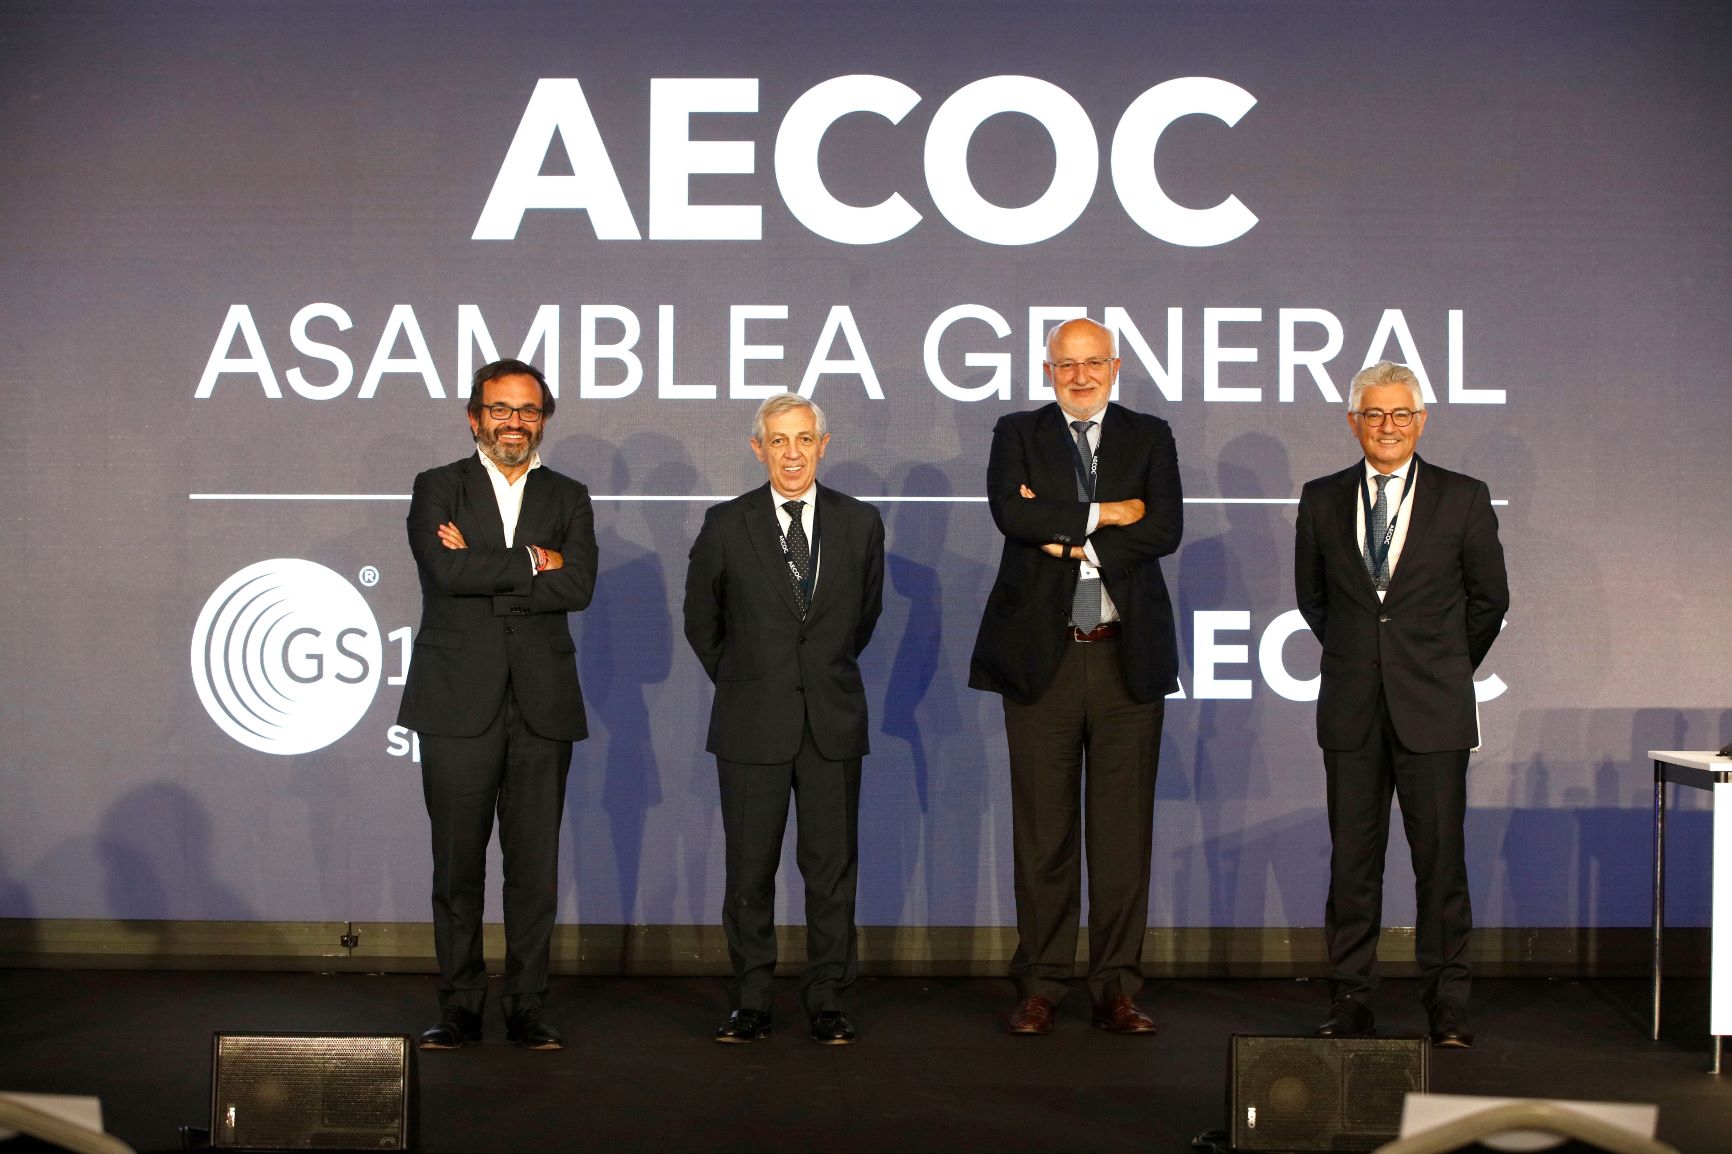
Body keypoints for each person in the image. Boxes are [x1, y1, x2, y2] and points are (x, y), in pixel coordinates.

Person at [969, 317, 1183, 1035]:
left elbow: (1165, 528)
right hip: (1044, 659)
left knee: (1123, 838)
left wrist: (1068, 540)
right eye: (1067, 365)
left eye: (1093, 364)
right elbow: (1010, 514)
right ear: (1049, 369)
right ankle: (1042, 983)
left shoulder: (1149, 435)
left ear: (1115, 367)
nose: (1081, 377)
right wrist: (1110, 513)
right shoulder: (1017, 433)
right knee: (1043, 834)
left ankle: (1116, 986)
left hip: (1126, 658)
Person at [1294, 360, 1508, 1049]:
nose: (1388, 428)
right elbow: (1315, 599)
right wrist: (1369, 663)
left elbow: (1489, 601)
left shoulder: (1463, 497)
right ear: (1353, 421)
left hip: (1434, 710)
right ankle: (1351, 999)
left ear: (1421, 420)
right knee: (1353, 864)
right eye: (1375, 415)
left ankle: (1447, 1005)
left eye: (1401, 415)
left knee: (1439, 864)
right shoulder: (1322, 498)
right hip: (1352, 708)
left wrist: (1441, 667)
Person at [398, 358, 597, 1051]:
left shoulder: (569, 496)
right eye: (501, 409)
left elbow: (580, 589)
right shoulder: (438, 487)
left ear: (544, 419)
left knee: (533, 869)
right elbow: (443, 572)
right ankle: (459, 1005)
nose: (515, 422)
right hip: (456, 705)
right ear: (475, 418)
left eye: (529, 410)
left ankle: (526, 1005)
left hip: (542, 707)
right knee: (456, 866)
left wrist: (487, 563)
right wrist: (535, 562)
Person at [683, 392, 885, 1045]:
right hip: (751, 723)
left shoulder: (860, 524)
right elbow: (702, 624)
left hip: (831, 721)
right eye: (778, 441)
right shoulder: (725, 525)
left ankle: (827, 997)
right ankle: (751, 999)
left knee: (830, 869)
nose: (791, 453)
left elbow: (864, 617)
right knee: (749, 870)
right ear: (758, 448)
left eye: (803, 440)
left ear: (823, 446)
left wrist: (812, 678)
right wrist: (748, 682)